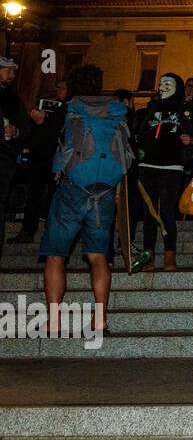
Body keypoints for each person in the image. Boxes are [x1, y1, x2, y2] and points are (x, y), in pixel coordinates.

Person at [40, 64, 132, 337]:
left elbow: (46, 145)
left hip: (72, 188)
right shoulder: (116, 111)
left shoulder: (68, 109)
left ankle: (54, 319)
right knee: (97, 254)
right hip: (103, 189)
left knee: (55, 254)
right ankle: (100, 317)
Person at [131, 73, 193, 272]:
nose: (162, 86)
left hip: (172, 167)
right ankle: (148, 256)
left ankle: (170, 256)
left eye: (168, 83)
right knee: (149, 213)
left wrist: (190, 141)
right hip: (148, 166)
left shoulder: (184, 110)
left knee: (166, 211)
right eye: (160, 83)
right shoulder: (150, 109)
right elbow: (140, 134)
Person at [11, 79, 68, 244]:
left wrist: (44, 121)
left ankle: (50, 233)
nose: (58, 90)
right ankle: (28, 230)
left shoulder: (69, 109)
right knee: (34, 194)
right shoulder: (53, 106)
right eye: (57, 87)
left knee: (54, 196)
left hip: (57, 159)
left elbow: (57, 131)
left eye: (62, 88)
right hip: (40, 158)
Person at [0, 56, 32, 256]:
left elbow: (25, 126)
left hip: (4, 156)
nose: (12, 75)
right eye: (8, 70)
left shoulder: (12, 97)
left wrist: (16, 131)